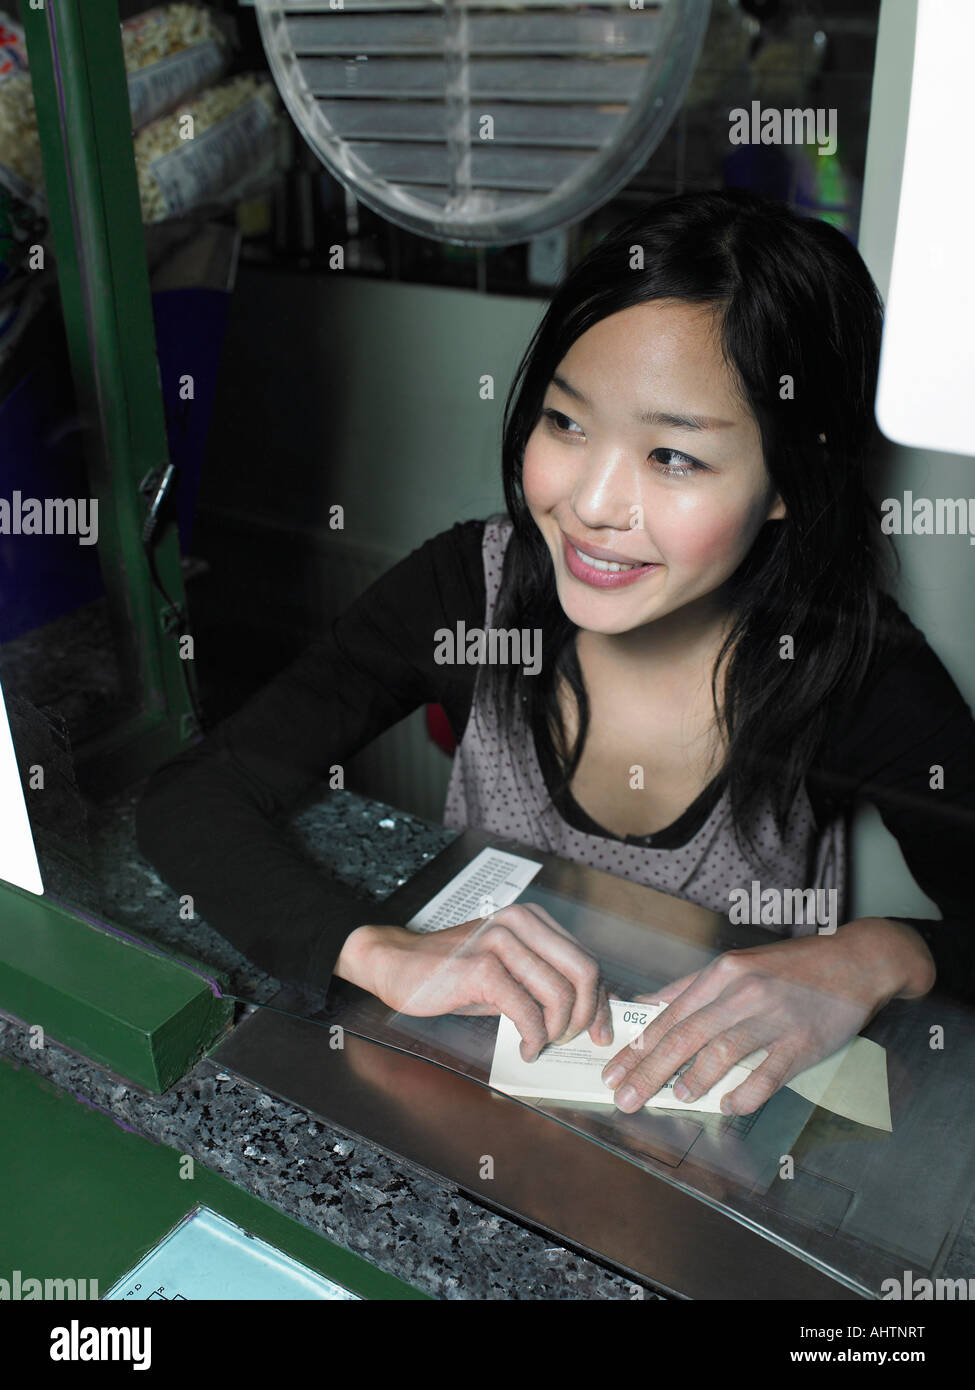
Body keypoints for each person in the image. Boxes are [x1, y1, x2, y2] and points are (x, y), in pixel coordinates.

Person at [136, 188, 975, 1117]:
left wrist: (878, 953)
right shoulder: (470, 588)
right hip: (457, 1103)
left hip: (705, 1150)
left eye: (674, 458)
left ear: (790, 481)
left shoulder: (853, 671)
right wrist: (375, 948)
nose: (589, 503)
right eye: (566, 424)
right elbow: (194, 796)